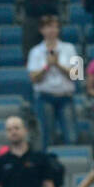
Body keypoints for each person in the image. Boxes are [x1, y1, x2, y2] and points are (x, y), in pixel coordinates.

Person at [27, 14, 79, 149]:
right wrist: (47, 66)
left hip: (65, 97)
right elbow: (33, 78)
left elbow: (77, 74)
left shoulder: (70, 48)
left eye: (55, 27)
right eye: (48, 27)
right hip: (44, 97)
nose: (52, 30)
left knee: (72, 137)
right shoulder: (35, 51)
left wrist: (58, 65)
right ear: (41, 30)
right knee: (46, 137)